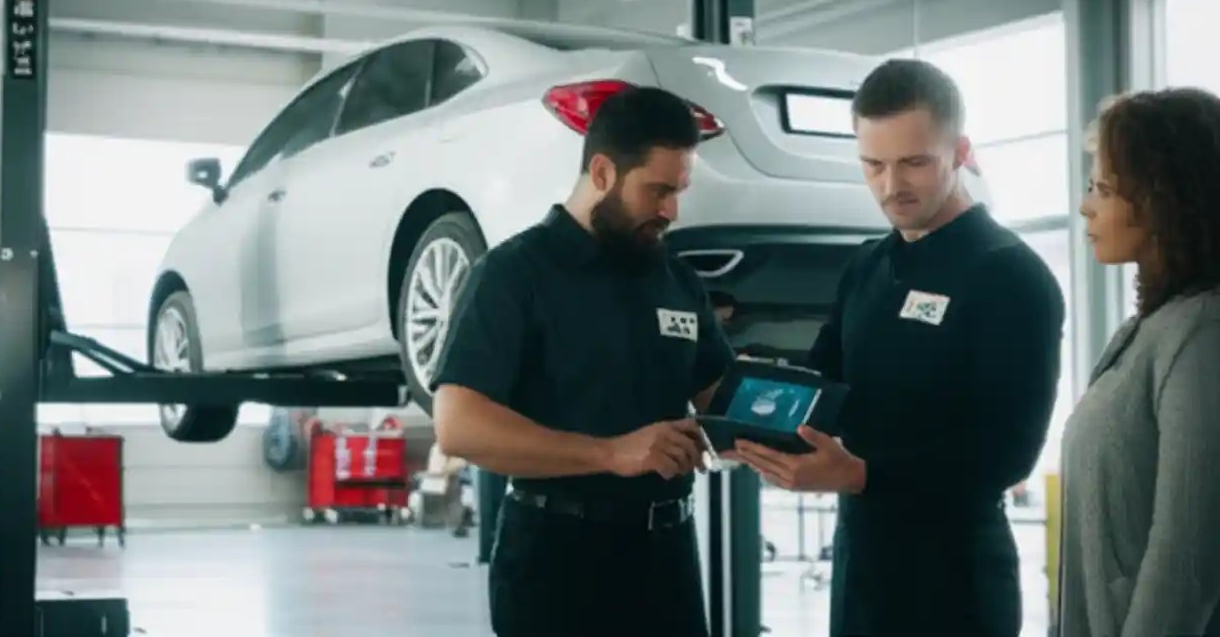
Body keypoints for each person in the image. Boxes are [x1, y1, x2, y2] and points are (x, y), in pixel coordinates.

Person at [730, 58, 1066, 637]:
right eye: (874, 165)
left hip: (955, 581)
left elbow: (1007, 455)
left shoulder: (1010, 275)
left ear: (960, 152)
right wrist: (730, 410)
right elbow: (823, 386)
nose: (891, 187)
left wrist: (864, 475)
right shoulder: (868, 266)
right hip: (862, 568)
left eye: (914, 163)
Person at [429, 85, 734, 637]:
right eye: (658, 190)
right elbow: (458, 426)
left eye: (679, 191)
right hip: (558, 560)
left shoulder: (675, 279)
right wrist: (611, 454)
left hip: (669, 561)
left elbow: (724, 398)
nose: (671, 210)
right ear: (602, 172)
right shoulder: (514, 275)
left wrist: (799, 416)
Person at [1059, 88, 1220, 637]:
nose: (1086, 206)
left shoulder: (1202, 332)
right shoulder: (1145, 329)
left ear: (1163, 202)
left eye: (1103, 190)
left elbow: (1186, 565)